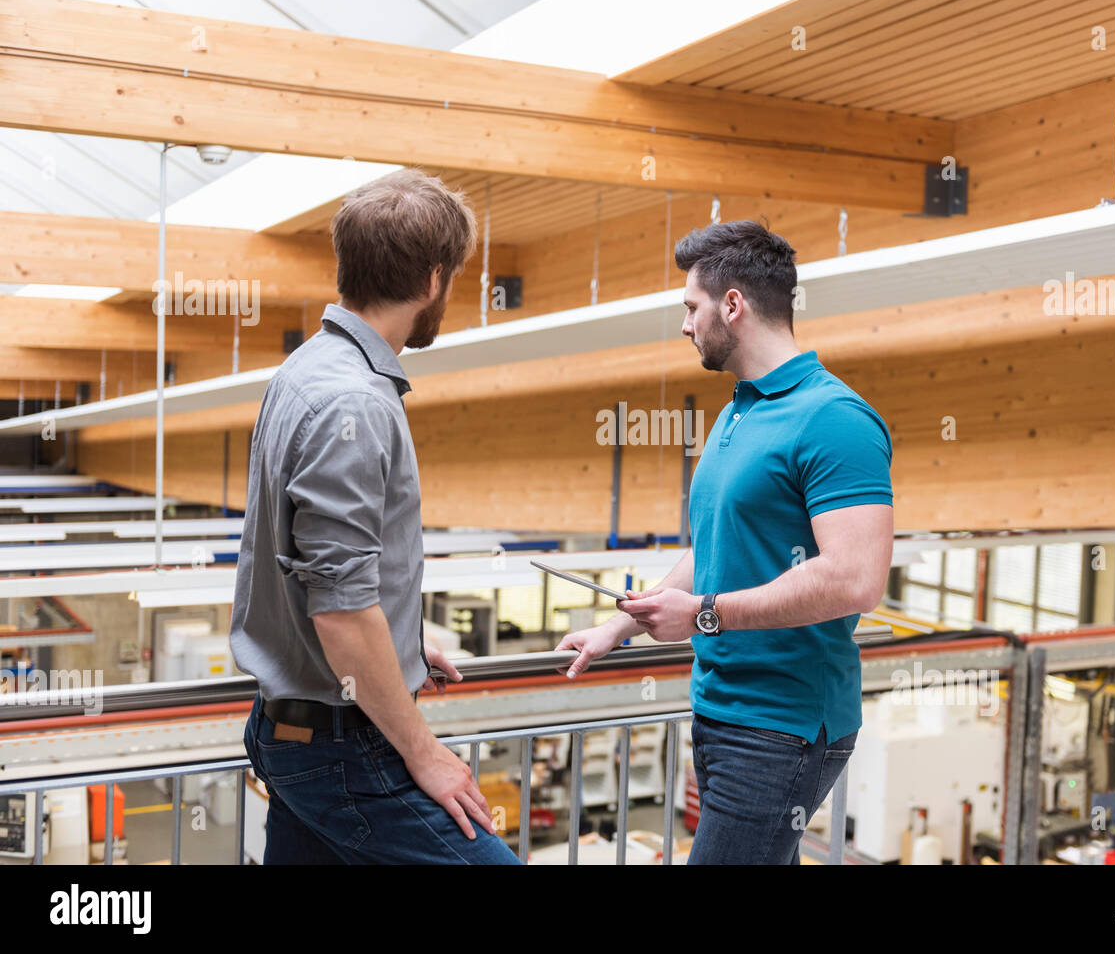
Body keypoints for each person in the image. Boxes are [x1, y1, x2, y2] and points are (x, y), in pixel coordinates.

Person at [558, 220, 894, 864]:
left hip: (783, 721)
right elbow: (708, 551)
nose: (686, 325)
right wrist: (616, 629)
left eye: (691, 307)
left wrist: (705, 615)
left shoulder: (834, 419)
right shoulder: (739, 410)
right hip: (719, 706)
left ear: (732, 304)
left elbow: (856, 579)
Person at [230, 169, 519, 864]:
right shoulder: (352, 402)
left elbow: (320, 572)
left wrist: (400, 648)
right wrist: (426, 751)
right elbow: (339, 610)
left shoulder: (304, 371)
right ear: (432, 279)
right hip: (344, 750)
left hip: (297, 732)